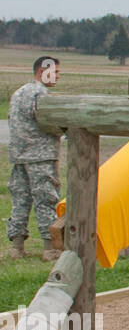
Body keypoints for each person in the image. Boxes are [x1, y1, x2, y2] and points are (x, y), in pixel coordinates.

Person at [7, 56, 62, 261]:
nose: (57, 76)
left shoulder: (18, 93)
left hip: (19, 155)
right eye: (54, 72)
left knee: (20, 200)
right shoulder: (41, 94)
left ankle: (17, 246)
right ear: (42, 71)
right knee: (46, 199)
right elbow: (50, 123)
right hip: (41, 155)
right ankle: (50, 248)